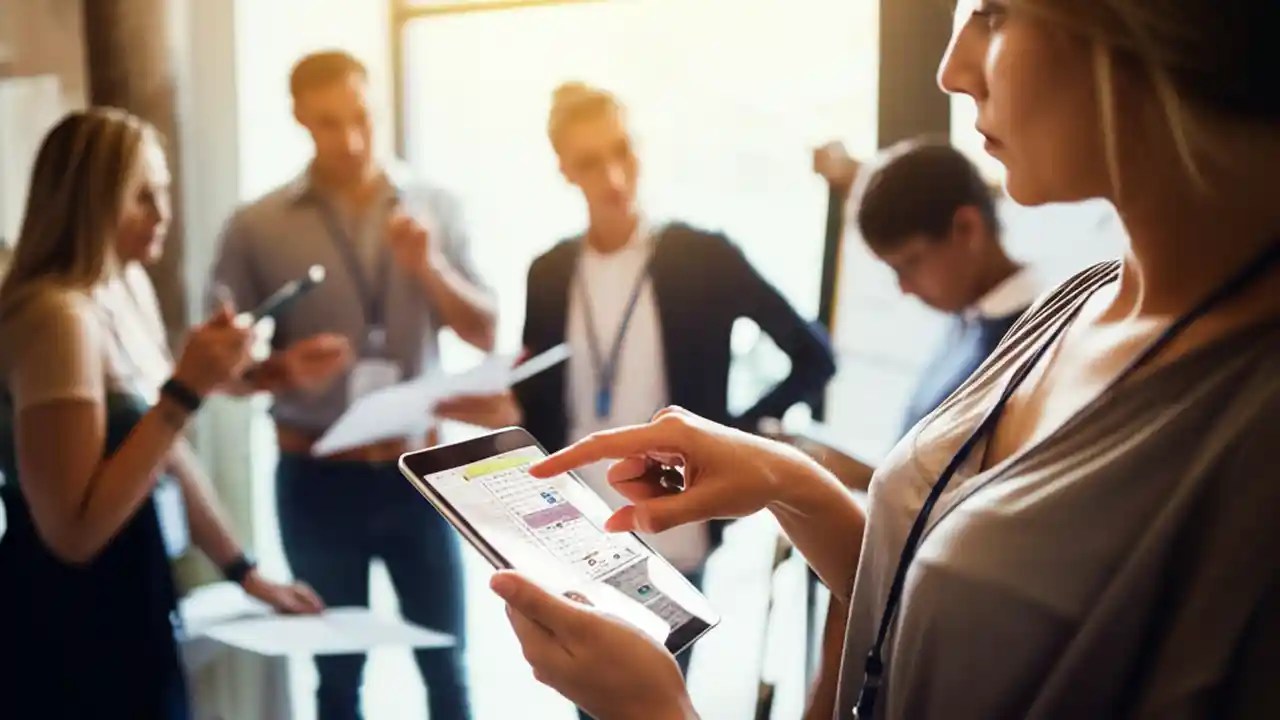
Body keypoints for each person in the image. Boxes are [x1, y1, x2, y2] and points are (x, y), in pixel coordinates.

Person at [484, 0, 1280, 718]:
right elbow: (935, 605)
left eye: (992, 12)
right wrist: (790, 483)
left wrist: (656, 713)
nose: (951, 68)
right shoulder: (1078, 300)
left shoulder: (1248, 428)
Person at [435, 81, 835, 682]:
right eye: (590, 162)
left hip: (670, 513)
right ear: (565, 170)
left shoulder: (701, 257)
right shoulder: (550, 272)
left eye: (622, 151)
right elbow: (537, 404)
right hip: (572, 527)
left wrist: (733, 437)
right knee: (588, 697)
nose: (614, 176)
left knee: (656, 696)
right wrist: (482, 408)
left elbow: (813, 356)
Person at [0, 109, 325, 719]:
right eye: (142, 197)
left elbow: (162, 452)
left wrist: (244, 571)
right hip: (66, 617)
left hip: (135, 590)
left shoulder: (125, 287)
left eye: (164, 191)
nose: (164, 214)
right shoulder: (57, 318)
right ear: (90, 201)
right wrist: (186, 390)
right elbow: (73, 536)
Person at [210, 50, 494, 720]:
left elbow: (485, 330)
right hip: (316, 480)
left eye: (361, 118)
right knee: (336, 680)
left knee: (447, 670)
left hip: (420, 476)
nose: (352, 140)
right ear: (299, 119)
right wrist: (280, 370)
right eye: (329, 123)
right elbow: (217, 369)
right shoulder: (256, 226)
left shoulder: (435, 206)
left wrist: (429, 268)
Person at [802, 137, 1041, 719]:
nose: (904, 288)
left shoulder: (1028, 346)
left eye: (909, 263)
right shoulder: (969, 323)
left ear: (967, 228)